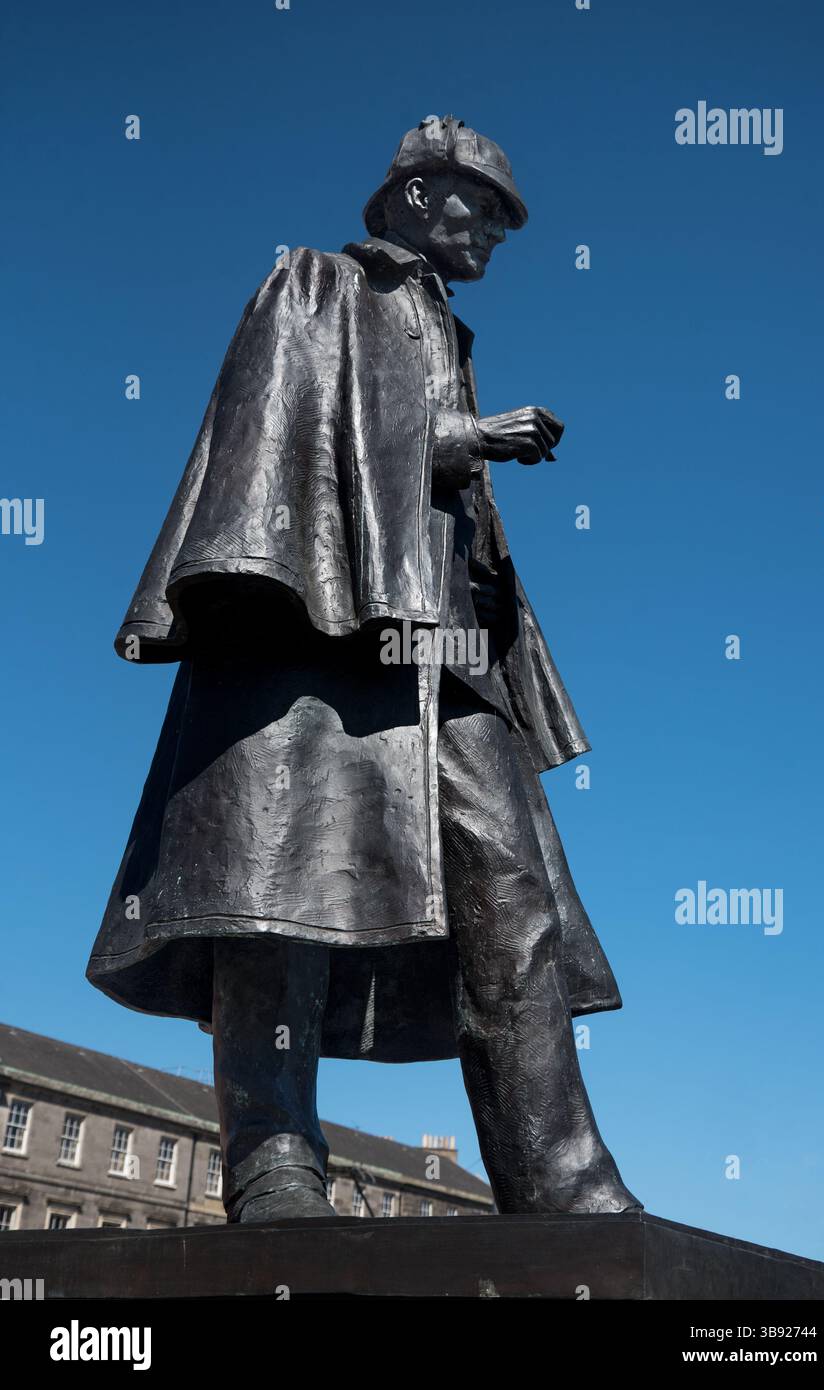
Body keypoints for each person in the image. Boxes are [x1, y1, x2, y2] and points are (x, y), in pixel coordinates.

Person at [86, 115, 641, 1221]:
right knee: (278, 884)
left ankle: (562, 1183)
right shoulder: (313, 287)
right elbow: (290, 445)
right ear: (404, 201)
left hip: (444, 643)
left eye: (499, 213)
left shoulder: (449, 331)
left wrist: (466, 451)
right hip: (311, 622)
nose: (487, 226)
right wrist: (467, 440)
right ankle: (273, 1160)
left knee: (513, 894)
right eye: (471, 202)